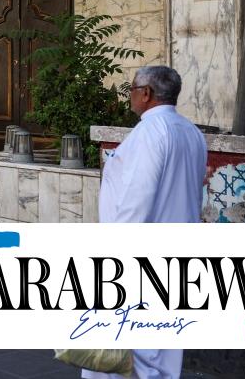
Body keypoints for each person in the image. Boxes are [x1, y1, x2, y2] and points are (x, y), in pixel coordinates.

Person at [83, 66, 206, 379]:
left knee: (126, 346)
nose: (130, 95)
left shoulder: (151, 131)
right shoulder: (190, 131)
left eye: (132, 89)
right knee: (161, 345)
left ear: (147, 93)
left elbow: (137, 197)